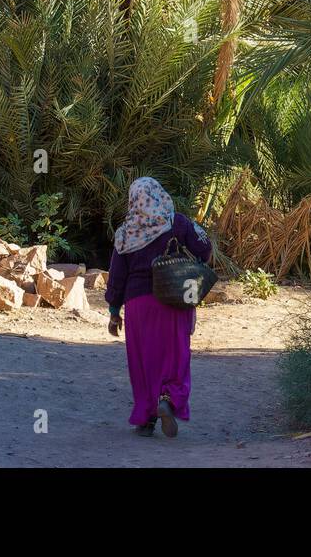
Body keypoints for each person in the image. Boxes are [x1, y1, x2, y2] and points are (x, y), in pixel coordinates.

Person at [106, 177, 212, 437]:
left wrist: (113, 312)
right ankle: (168, 400)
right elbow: (204, 248)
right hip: (173, 297)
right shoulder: (176, 221)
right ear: (159, 194)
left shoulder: (126, 231)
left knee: (143, 361)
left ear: (133, 199)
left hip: (138, 304)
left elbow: (117, 275)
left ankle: (146, 419)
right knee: (175, 356)